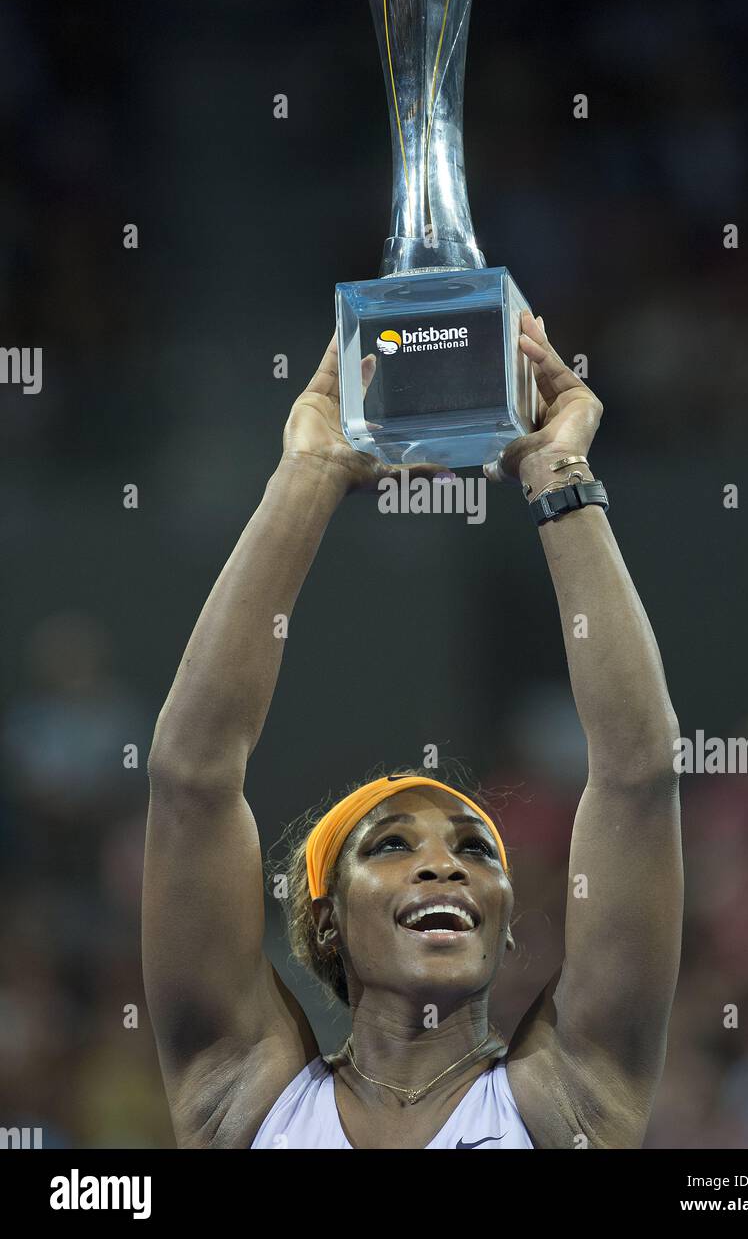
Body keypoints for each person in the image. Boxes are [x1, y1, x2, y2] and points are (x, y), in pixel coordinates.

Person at [143, 310, 683, 1148]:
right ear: (323, 921)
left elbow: (638, 775)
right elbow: (190, 777)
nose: (444, 864)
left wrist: (556, 469)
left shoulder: (572, 1098)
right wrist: (310, 471)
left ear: (506, 925)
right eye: (390, 846)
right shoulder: (239, 1093)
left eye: (474, 850)